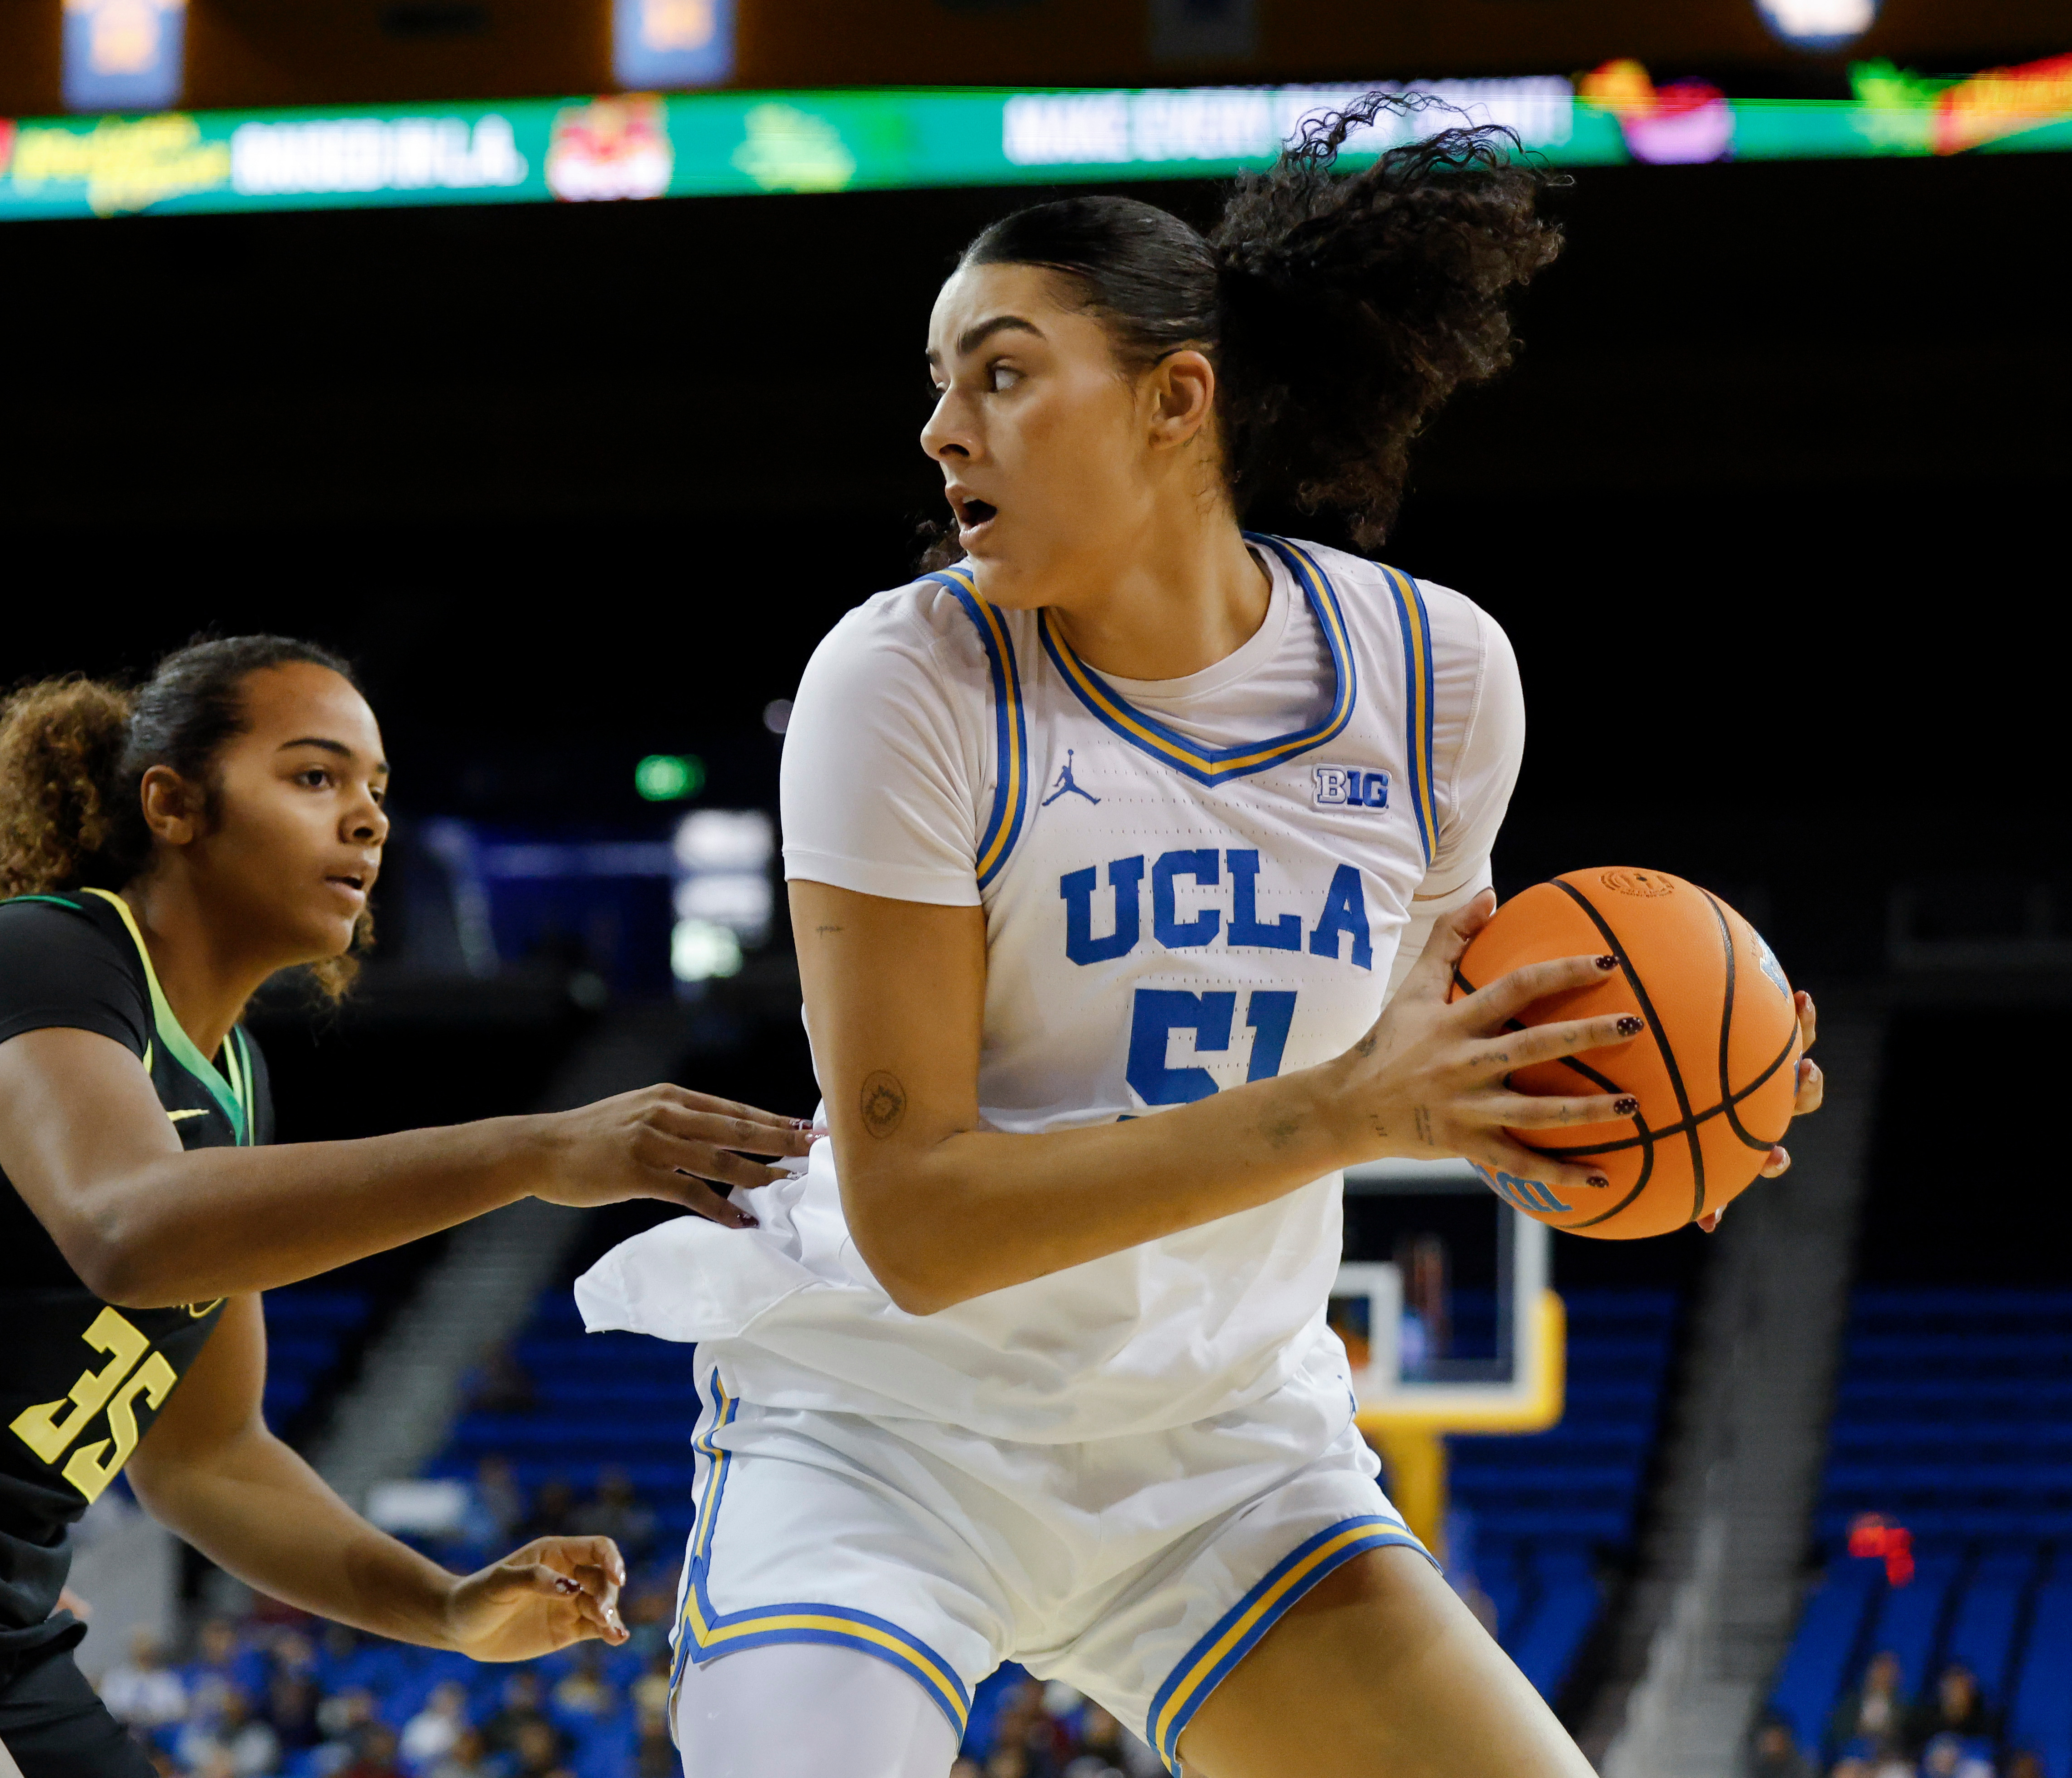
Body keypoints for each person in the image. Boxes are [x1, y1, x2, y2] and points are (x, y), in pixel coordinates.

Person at [577, 97, 1826, 1778]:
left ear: (1178, 399)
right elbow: (922, 1222)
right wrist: (1353, 1113)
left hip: (1224, 1450)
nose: (941, 431)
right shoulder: (904, 682)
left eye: (1001, 374)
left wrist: (1658, 1110)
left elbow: (1432, 1066)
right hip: (888, 1435)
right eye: (939, 385)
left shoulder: (1437, 679)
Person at [0, 635, 813, 1776]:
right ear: (175, 803)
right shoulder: (40, 951)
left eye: (377, 791)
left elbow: (209, 1458)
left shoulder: (233, 1087)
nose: (368, 820)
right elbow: (126, 1229)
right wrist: (531, 1151)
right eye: (316, 777)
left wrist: (447, 1607)